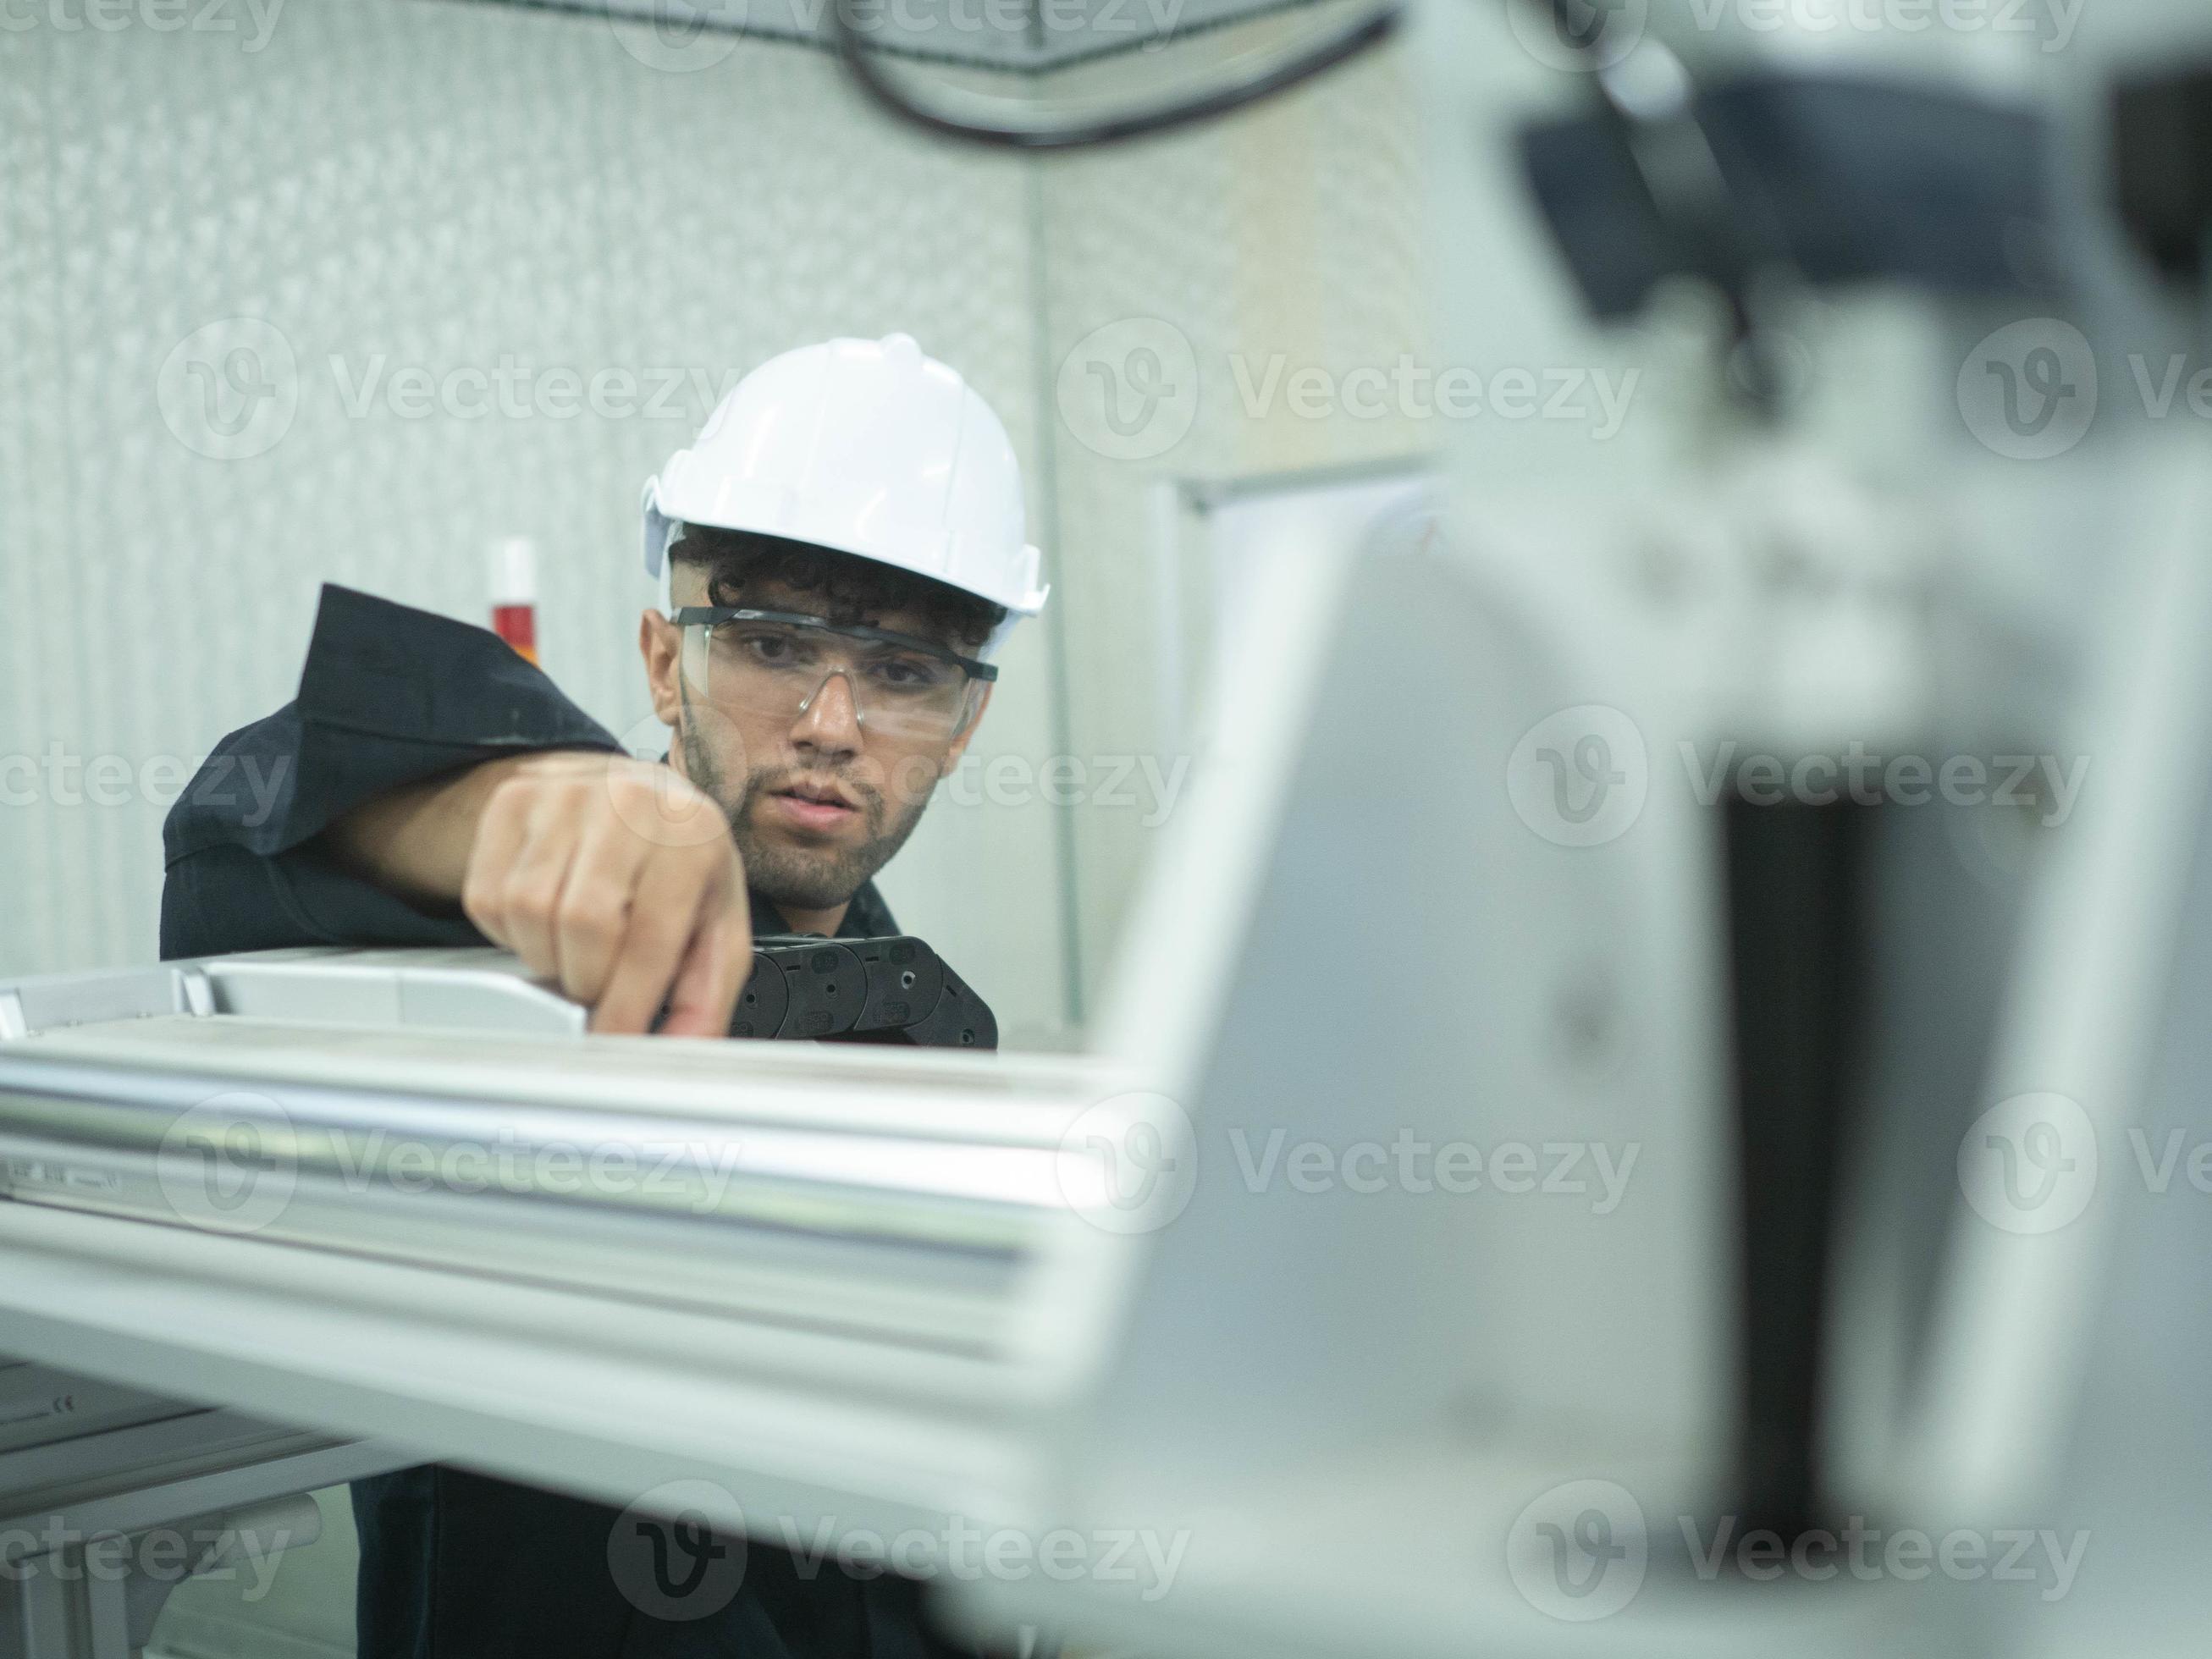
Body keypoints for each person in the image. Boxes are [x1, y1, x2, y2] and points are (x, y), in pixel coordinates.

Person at [160, 333, 1051, 1658]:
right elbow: (246, 825)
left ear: (964, 725)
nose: (830, 720)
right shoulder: (529, 950)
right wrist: (506, 794)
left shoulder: (913, 1012)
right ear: (661, 663)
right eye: (769, 643)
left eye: (904, 672)